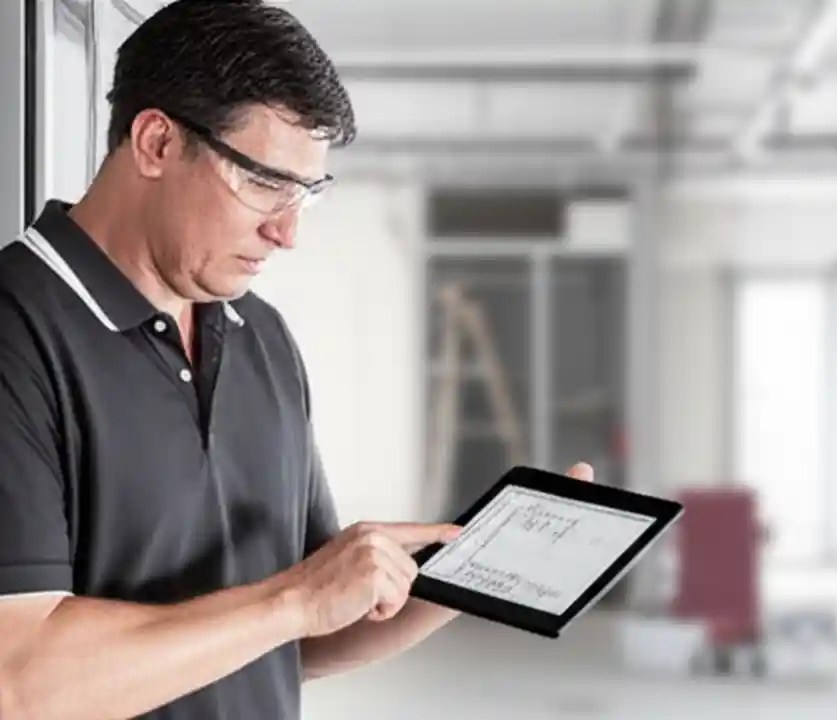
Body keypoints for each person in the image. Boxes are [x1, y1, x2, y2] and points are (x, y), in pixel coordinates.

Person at [0, 1, 592, 717]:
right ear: (155, 142)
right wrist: (296, 598)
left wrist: (475, 573)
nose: (286, 233)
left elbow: (302, 635)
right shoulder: (17, 329)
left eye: (305, 195)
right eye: (264, 183)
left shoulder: (262, 337)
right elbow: (21, 679)